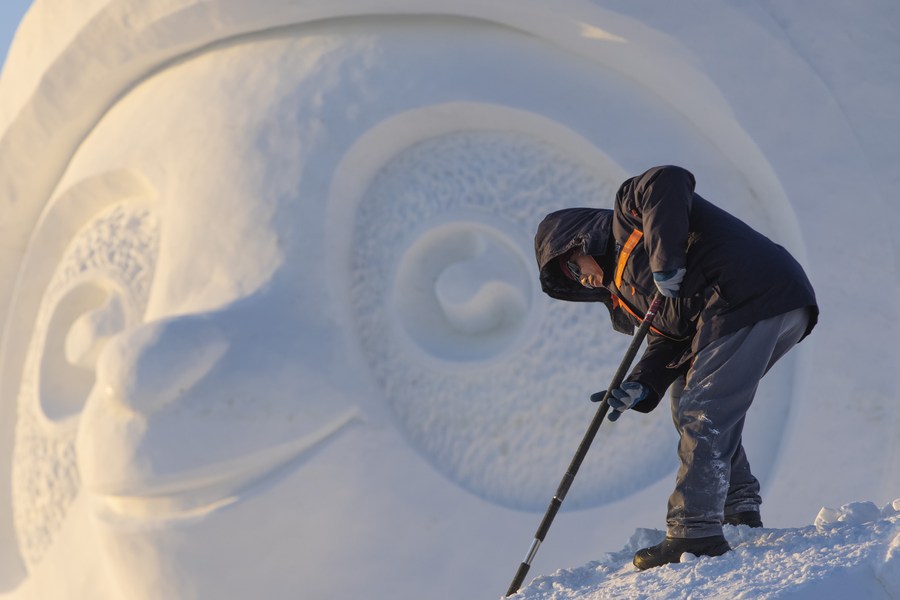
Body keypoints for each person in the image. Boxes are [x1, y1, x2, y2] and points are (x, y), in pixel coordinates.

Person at [534, 165, 818, 570]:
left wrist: (665, 259)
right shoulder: (631, 295)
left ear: (579, 243)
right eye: (574, 282)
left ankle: (694, 531)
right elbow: (670, 340)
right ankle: (735, 504)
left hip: (745, 291)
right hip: (764, 305)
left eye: (575, 269)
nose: (583, 282)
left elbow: (667, 179)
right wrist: (640, 385)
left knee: (704, 407)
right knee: (687, 395)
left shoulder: (627, 221)